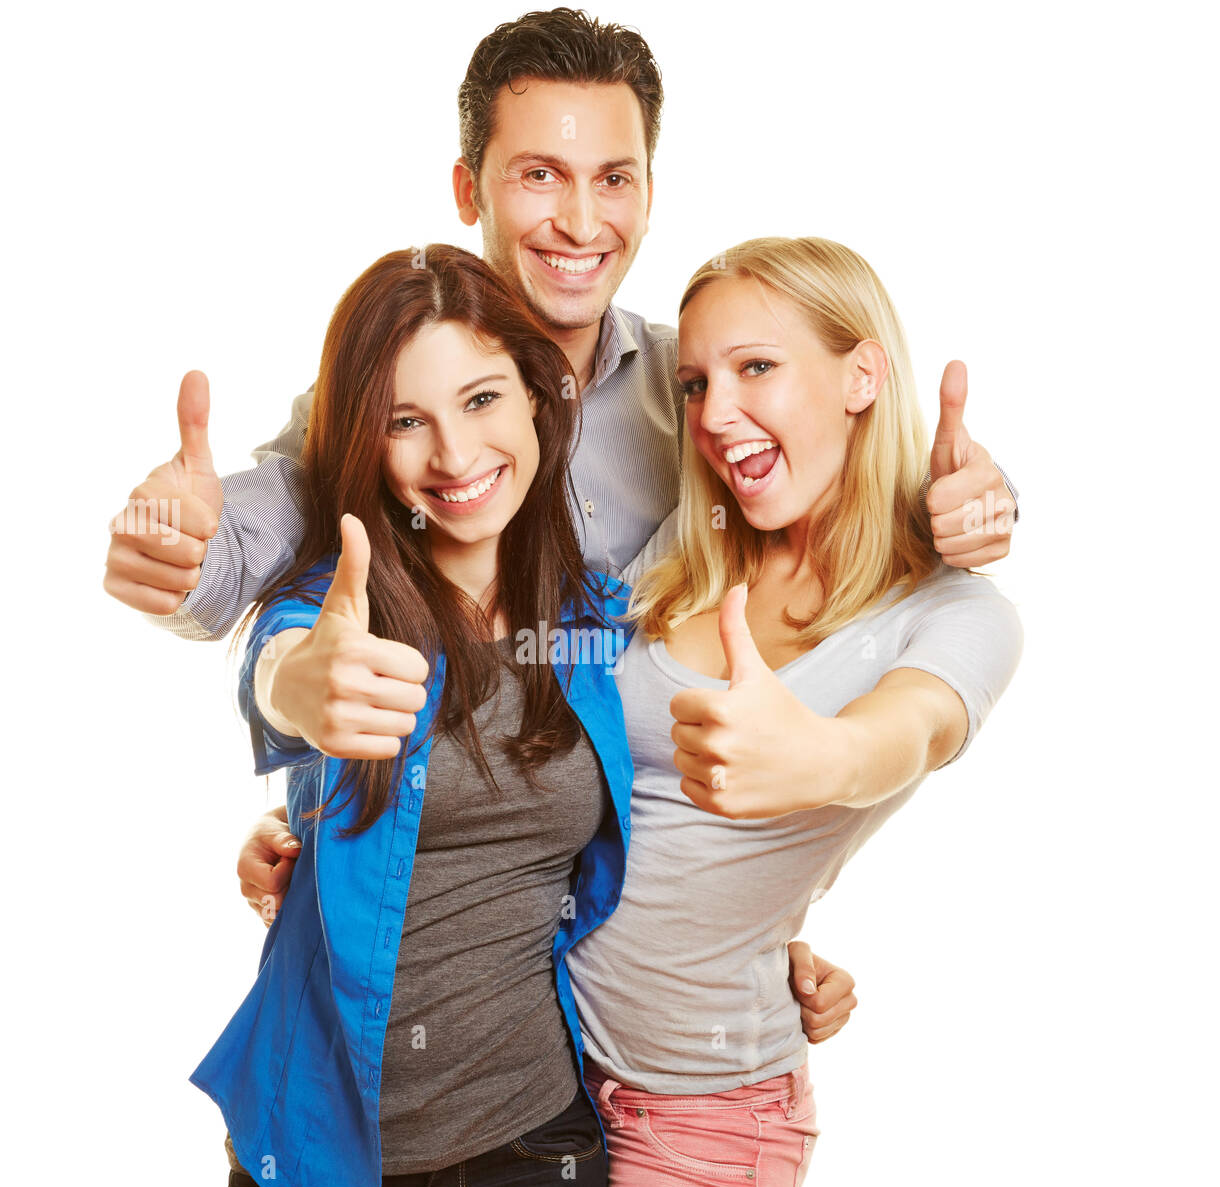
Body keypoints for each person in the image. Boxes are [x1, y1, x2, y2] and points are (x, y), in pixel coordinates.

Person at [105, 9, 1017, 1030]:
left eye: (612, 178)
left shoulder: (703, 393)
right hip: (448, 982)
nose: (582, 223)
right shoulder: (388, 402)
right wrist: (172, 539)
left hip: (609, 996)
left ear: (648, 193)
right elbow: (245, 559)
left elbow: (853, 516)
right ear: (468, 189)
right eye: (539, 174)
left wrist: (973, 500)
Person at [567, 235, 1024, 1187]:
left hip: (704, 1119)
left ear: (862, 376)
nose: (716, 411)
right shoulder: (683, 544)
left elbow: (904, 734)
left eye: (756, 367)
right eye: (695, 382)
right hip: (544, 1080)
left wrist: (815, 753)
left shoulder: (953, 614)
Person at [194, 243, 635, 1187]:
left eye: (483, 397)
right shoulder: (331, 604)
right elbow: (287, 670)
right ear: (362, 441)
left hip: (535, 1157)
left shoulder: (601, 618)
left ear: (537, 398)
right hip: (314, 1174)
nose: (454, 451)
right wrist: (296, 689)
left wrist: (780, 940)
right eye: (404, 420)